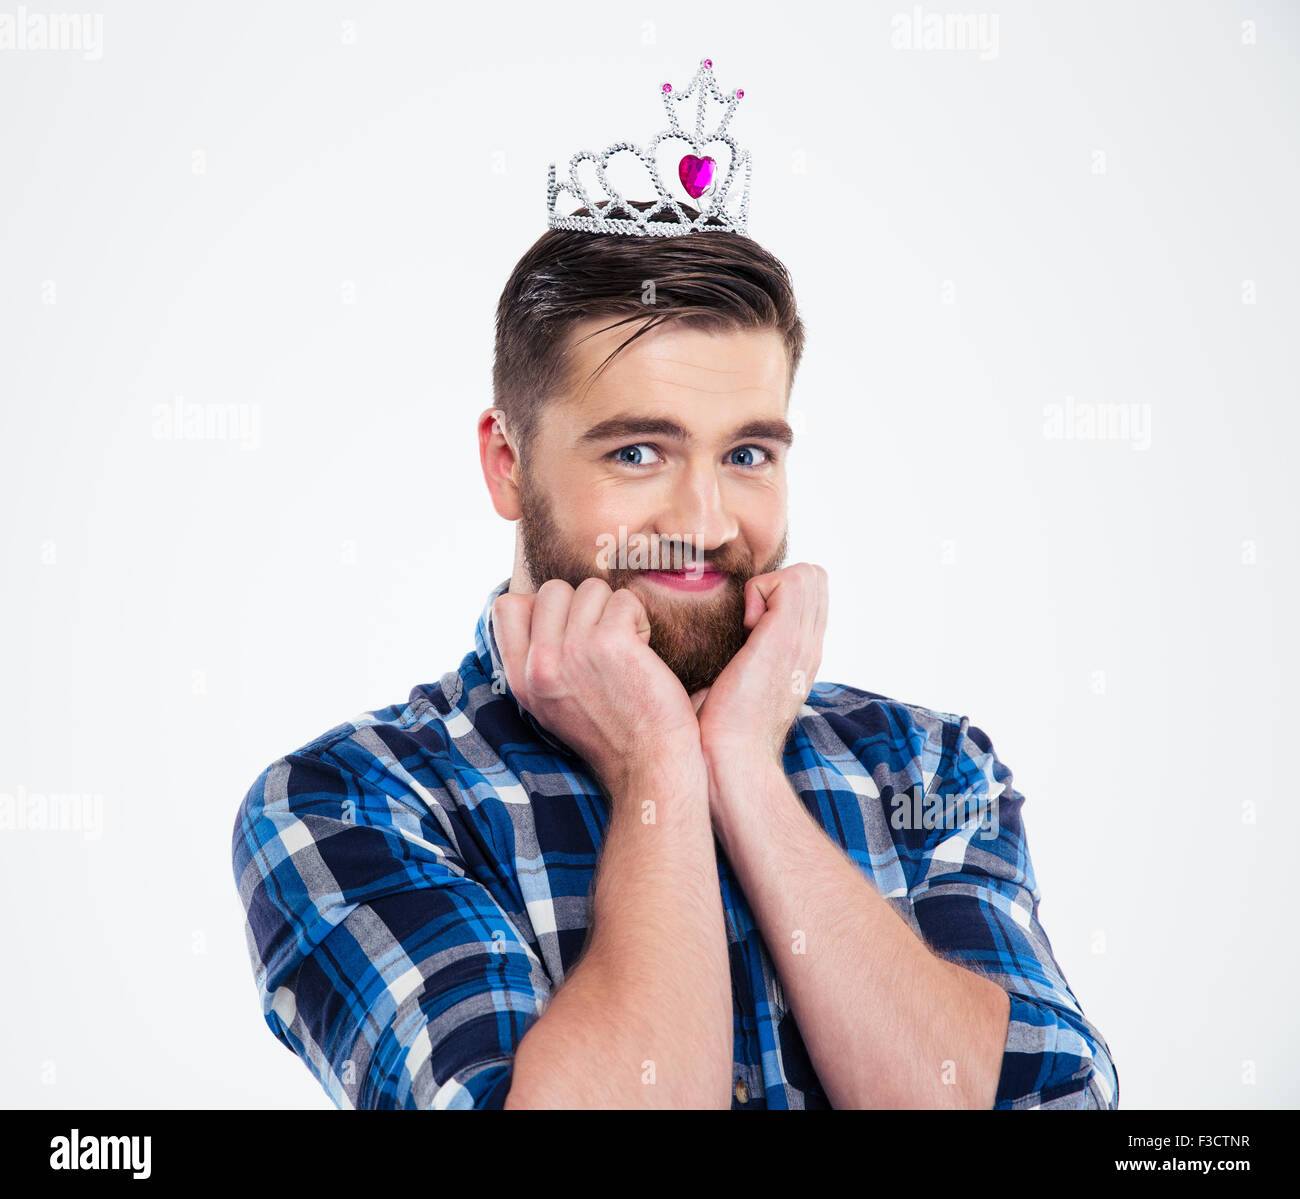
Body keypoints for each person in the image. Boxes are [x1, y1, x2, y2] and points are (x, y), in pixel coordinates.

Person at [231, 58, 1117, 1110]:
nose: (703, 524)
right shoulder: (358, 800)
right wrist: (655, 761)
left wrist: (739, 759)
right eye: (639, 452)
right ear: (507, 464)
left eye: (746, 454)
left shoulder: (925, 766)